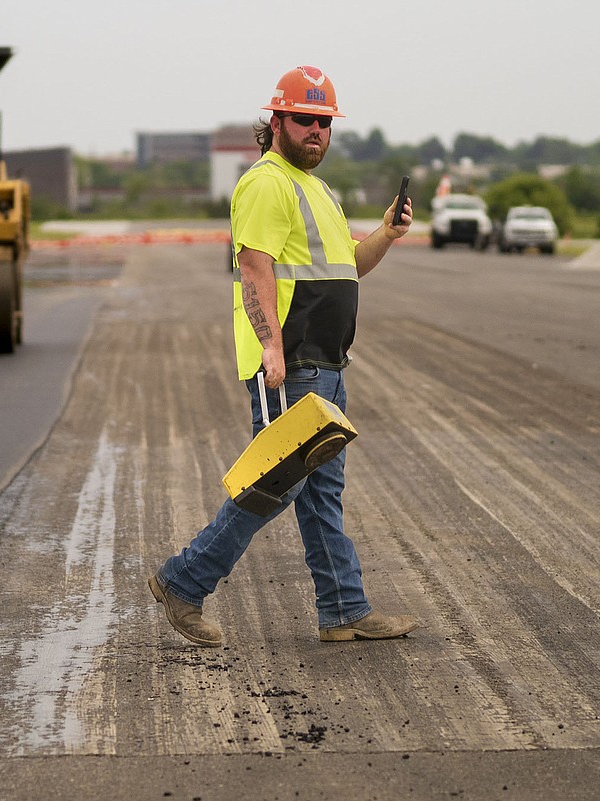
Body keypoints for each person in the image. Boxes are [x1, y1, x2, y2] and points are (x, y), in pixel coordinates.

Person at [149, 66, 419, 647]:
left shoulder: (315, 188)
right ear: (277, 122)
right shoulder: (267, 183)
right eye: (304, 119)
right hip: (292, 365)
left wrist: (386, 234)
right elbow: (254, 268)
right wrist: (271, 346)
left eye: (324, 122)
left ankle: (343, 609)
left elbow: (348, 265)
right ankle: (182, 582)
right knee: (278, 483)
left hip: (328, 365)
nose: (316, 131)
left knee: (321, 494)